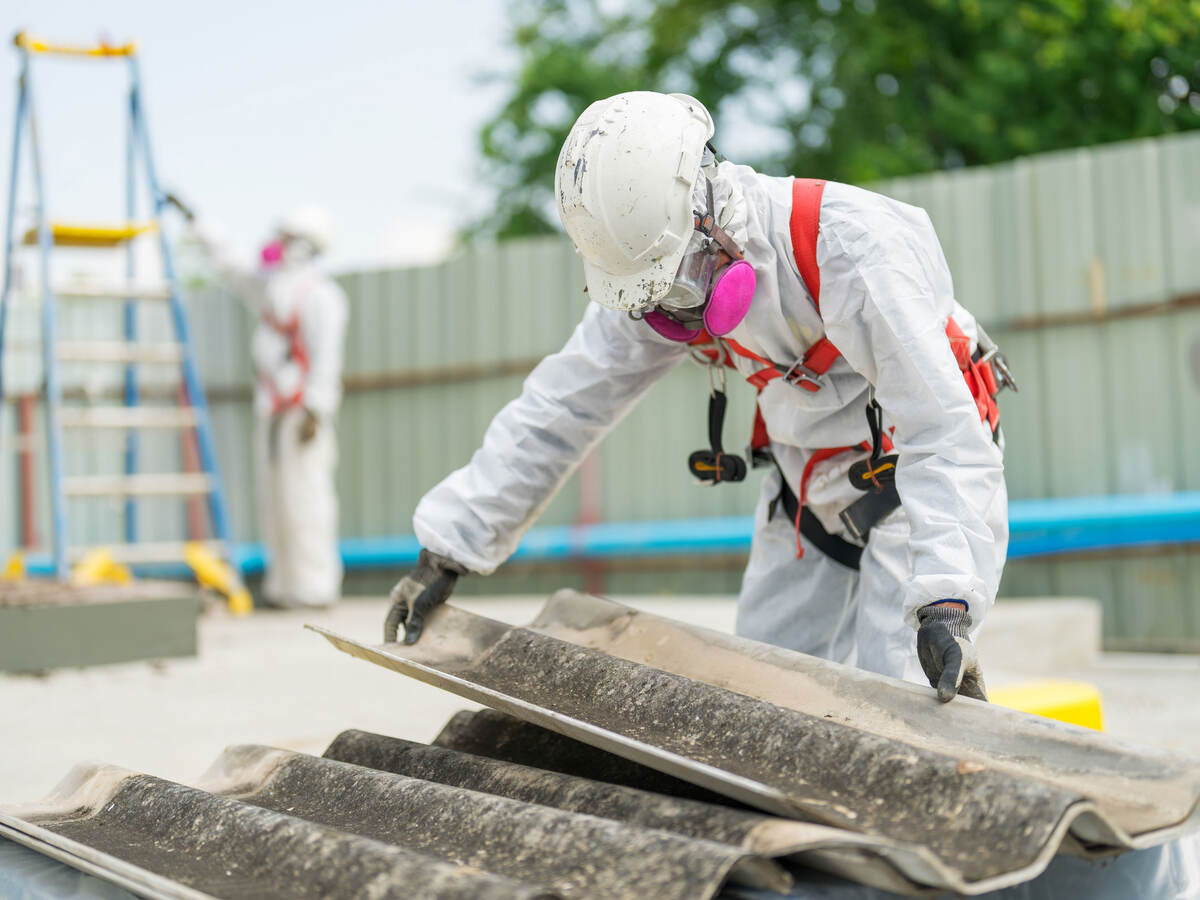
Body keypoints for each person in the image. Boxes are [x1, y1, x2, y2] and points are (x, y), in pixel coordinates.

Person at [385, 91, 1011, 702]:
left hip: (912, 481)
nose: (669, 317)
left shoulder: (849, 247)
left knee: (898, 708)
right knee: (760, 704)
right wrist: (448, 549)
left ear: (711, 211)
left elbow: (940, 428)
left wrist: (947, 596)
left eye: (678, 286)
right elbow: (563, 407)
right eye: (652, 297)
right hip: (806, 488)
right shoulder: (655, 272)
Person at [192, 206, 348, 609]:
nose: (277, 243)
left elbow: (326, 358)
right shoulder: (274, 288)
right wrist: (200, 224)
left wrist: (316, 409)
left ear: (304, 244)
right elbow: (234, 269)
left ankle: (315, 587)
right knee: (274, 501)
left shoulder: (323, 296)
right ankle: (284, 586)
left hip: (302, 416)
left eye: (286, 236)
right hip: (273, 412)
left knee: (307, 500)